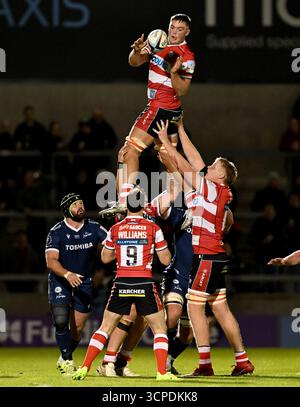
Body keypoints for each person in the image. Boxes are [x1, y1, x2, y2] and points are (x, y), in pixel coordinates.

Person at [154, 118, 255, 377]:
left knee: (195, 307)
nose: (206, 167)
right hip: (217, 256)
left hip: (206, 256)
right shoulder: (215, 190)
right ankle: (242, 360)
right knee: (220, 307)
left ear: (219, 175)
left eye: (212, 166)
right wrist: (183, 131)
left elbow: (188, 167)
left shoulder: (209, 189)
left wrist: (167, 142)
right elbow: (195, 161)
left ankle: (205, 365)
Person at [72, 187, 180, 381]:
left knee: (104, 328)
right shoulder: (153, 228)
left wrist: (120, 249)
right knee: (160, 329)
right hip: (144, 282)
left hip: (121, 282)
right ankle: (162, 373)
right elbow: (165, 260)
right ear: (144, 206)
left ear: (126, 206)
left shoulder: (116, 228)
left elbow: (105, 258)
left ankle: (84, 367)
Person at [100, 13, 195, 216]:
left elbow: (183, 90)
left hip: (161, 108)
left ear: (187, 32)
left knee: (129, 151)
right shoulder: (158, 42)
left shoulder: (185, 55)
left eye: (180, 29)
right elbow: (134, 62)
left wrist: (173, 72)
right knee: (168, 159)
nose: (174, 32)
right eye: (172, 27)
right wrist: (136, 51)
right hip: (169, 111)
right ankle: (193, 204)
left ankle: (124, 201)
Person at [45, 193, 107, 375]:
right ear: (66, 210)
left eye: (81, 203)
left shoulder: (94, 228)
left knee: (78, 329)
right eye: (76, 204)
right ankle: (67, 359)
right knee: (61, 321)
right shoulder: (56, 232)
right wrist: (67, 273)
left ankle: (64, 355)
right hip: (60, 280)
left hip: (84, 282)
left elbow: (112, 242)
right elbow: (51, 260)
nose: (81, 206)